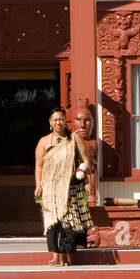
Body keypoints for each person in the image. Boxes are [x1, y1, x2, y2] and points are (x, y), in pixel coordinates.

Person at [34, 107, 93, 266]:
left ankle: (66, 255)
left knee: (69, 221)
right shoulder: (44, 142)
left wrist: (83, 175)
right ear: (50, 122)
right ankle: (55, 255)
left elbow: (86, 160)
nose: (58, 122)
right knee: (53, 221)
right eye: (55, 120)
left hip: (71, 185)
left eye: (60, 119)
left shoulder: (74, 138)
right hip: (51, 186)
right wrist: (38, 184)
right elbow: (39, 166)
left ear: (64, 121)